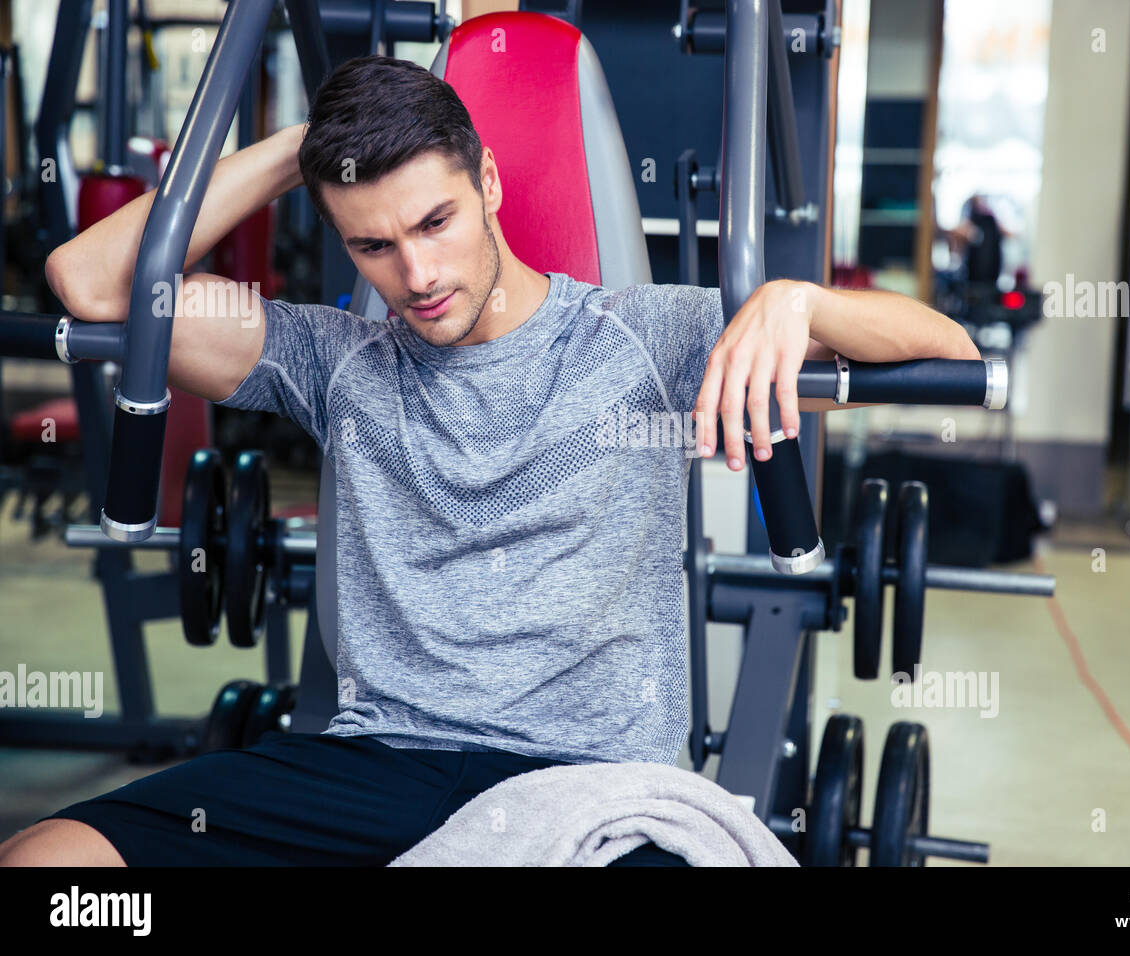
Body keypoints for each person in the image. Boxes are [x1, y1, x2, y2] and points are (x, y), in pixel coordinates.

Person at [0, 56, 978, 867]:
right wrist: (298, 154)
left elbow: (950, 349)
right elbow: (88, 280)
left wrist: (796, 302)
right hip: (376, 766)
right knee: (48, 861)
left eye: (435, 222)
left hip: (589, 782)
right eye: (373, 244)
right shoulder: (328, 360)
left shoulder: (646, 335)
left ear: (491, 186)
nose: (417, 276)